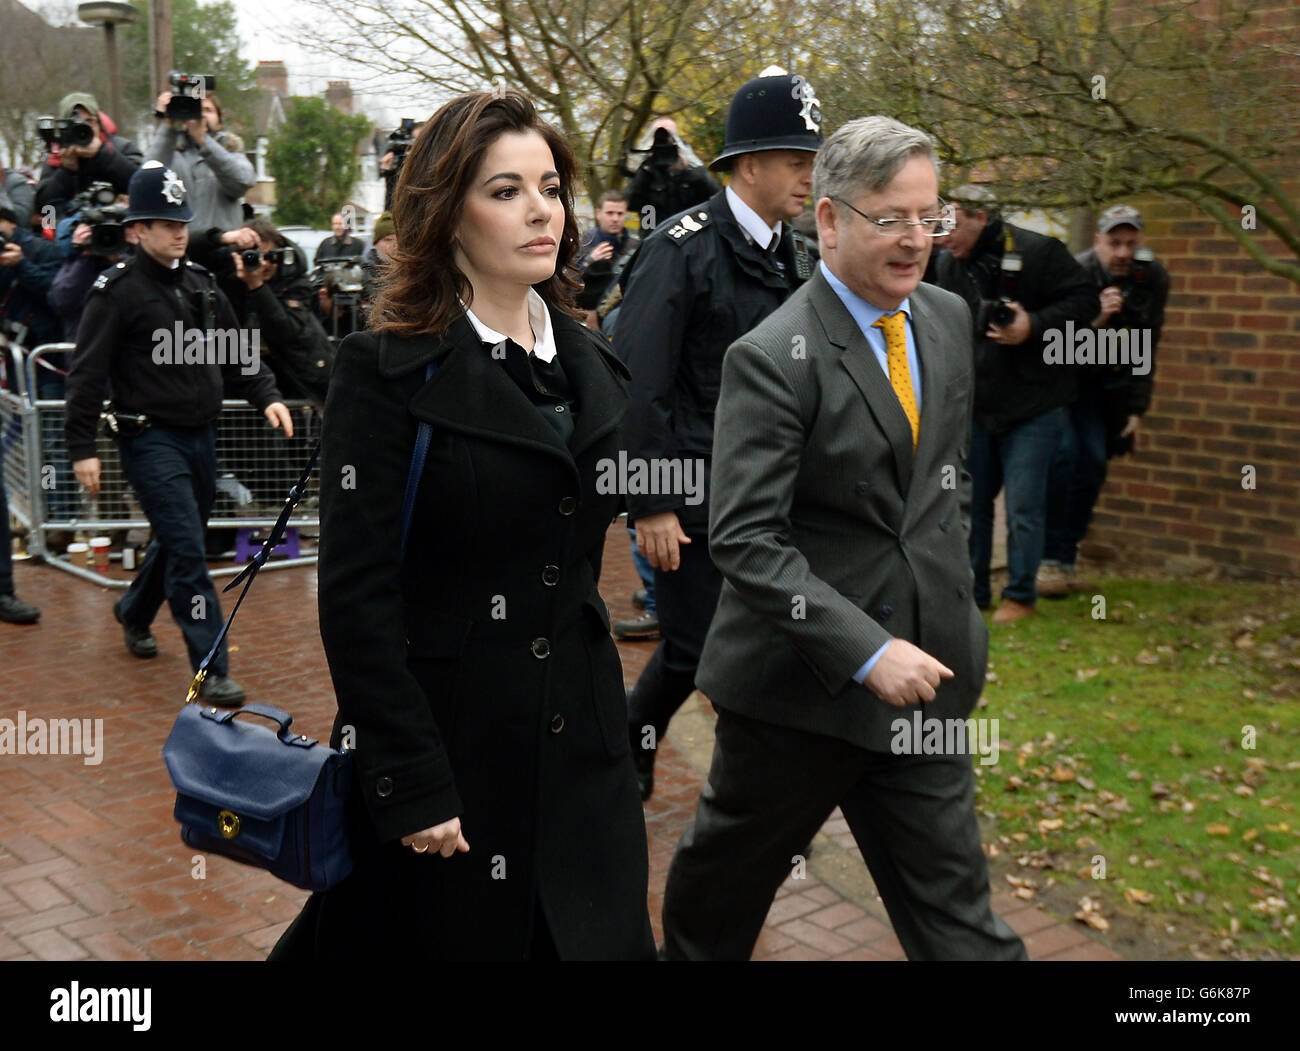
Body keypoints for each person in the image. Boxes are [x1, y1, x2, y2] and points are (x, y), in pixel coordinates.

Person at [269, 89, 655, 961]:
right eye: (505, 190)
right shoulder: (385, 371)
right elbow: (358, 599)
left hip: (582, 759)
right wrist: (406, 777)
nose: (541, 212)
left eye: (550, 187)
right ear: (446, 212)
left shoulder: (591, 362)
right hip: (450, 759)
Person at [660, 115, 1027, 962]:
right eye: (889, 218)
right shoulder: (772, 355)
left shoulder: (942, 319)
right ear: (827, 219)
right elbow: (747, 537)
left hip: (925, 687)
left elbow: (948, 481)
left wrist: (953, 612)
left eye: (929, 217)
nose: (915, 241)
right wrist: (867, 650)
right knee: (718, 907)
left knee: (966, 931)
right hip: (797, 698)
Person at [617, 68, 821, 800]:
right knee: (707, 652)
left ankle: (627, 743)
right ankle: (742, 803)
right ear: (750, 163)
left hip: (759, 493)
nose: (809, 175)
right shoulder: (682, 247)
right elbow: (639, 380)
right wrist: (651, 502)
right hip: (692, 498)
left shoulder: (791, 255)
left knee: (700, 649)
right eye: (797, 161)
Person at [63, 162, 294, 708]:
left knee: (177, 537)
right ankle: (211, 666)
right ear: (136, 230)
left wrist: (269, 395)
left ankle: (134, 609)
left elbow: (235, 352)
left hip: (200, 436)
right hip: (148, 439)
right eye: (164, 223)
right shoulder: (115, 292)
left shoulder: (201, 283)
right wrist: (80, 448)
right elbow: (87, 373)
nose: (178, 231)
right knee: (190, 551)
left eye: (181, 222)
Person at [930, 187, 1095, 623]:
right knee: (973, 505)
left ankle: (1020, 595)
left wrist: (1033, 325)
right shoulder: (948, 264)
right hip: (977, 407)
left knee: (1024, 506)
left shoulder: (1038, 251)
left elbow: (1086, 302)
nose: (943, 236)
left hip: (1036, 406)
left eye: (952, 223)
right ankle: (974, 592)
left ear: (980, 216)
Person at [1040, 205, 1169, 595]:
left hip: (1102, 390)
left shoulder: (1152, 279)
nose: (1124, 253)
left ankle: (1066, 557)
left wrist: (1136, 409)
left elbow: (1146, 344)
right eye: (1115, 243)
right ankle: (1046, 560)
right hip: (1060, 385)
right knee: (1062, 460)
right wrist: (1095, 321)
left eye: (1131, 243)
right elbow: (1053, 349)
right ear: (1098, 242)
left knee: (1093, 463)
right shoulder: (1074, 275)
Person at [146, 88, 255, 235]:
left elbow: (242, 181)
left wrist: (204, 142)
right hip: (179, 249)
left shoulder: (231, 153)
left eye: (208, 110)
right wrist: (167, 124)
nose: (201, 115)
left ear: (219, 122)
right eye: (196, 109)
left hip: (222, 249)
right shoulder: (170, 153)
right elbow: (147, 179)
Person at [34, 93, 143, 220]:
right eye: (75, 124)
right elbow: (45, 207)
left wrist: (102, 153)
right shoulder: (57, 156)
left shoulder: (121, 147)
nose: (83, 129)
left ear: (99, 123)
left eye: (89, 121)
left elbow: (140, 185)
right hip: (73, 228)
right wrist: (67, 170)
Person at [622, 117, 720, 231]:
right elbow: (629, 203)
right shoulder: (645, 171)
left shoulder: (690, 169)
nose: (664, 140)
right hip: (653, 236)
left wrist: (687, 170)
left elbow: (715, 198)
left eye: (670, 135)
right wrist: (646, 170)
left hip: (686, 237)